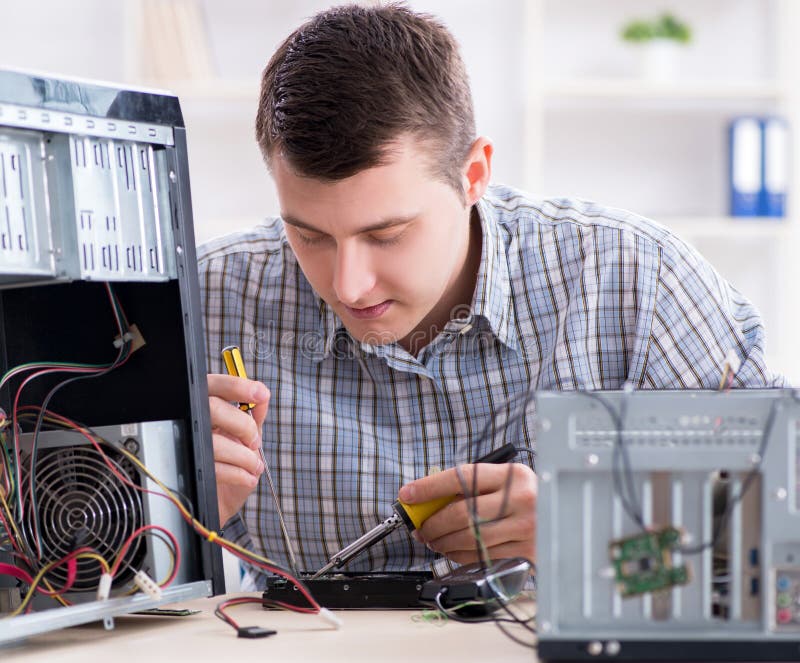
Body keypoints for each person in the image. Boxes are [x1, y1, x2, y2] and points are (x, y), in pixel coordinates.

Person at [198, 3, 784, 587]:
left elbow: (784, 533)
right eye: (309, 236)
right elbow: (141, 573)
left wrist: (591, 533)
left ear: (474, 174)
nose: (348, 285)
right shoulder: (210, 298)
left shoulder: (634, 277)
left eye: (387, 234)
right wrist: (179, 517)